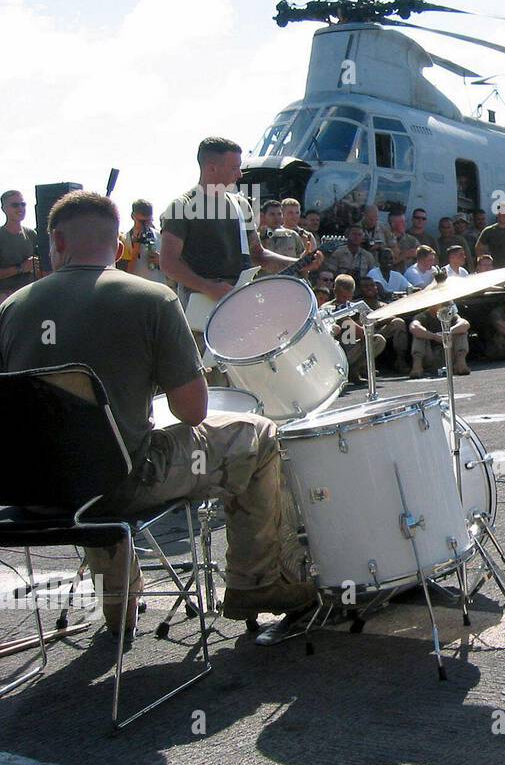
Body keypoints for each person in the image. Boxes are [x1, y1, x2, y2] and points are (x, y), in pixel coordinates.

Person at [0, 192, 313, 631]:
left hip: (34, 493)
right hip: (124, 485)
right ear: (118, 244)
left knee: (87, 451)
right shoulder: (151, 299)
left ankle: (118, 608)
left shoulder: (11, 310)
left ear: (56, 241)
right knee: (258, 435)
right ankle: (259, 587)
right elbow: (192, 411)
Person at [160, 137, 320, 344]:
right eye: (234, 168)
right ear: (211, 169)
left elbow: (258, 254)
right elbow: (168, 263)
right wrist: (208, 287)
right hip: (200, 315)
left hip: (240, 309)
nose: (239, 174)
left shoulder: (241, 205)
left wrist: (302, 262)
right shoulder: (181, 206)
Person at [322, 275, 385, 384]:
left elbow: (364, 333)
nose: (344, 299)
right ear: (334, 291)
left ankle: (355, 370)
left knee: (378, 340)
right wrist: (344, 317)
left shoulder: (355, 308)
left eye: (347, 296)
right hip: (332, 353)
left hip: (351, 349)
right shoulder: (327, 309)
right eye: (341, 295)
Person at [409, 307, 470, 377]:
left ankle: (461, 364)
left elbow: (465, 324)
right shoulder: (422, 316)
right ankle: (417, 367)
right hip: (430, 355)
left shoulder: (449, 314)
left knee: (462, 331)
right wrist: (434, 336)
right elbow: (414, 327)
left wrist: (448, 332)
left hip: (449, 354)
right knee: (419, 334)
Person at [117, 199, 166, 285]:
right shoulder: (124, 240)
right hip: (135, 292)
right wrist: (135, 251)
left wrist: (162, 261)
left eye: (149, 221)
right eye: (142, 221)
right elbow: (123, 276)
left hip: (158, 292)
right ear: (133, 217)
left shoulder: (161, 237)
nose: (145, 225)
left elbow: (176, 271)